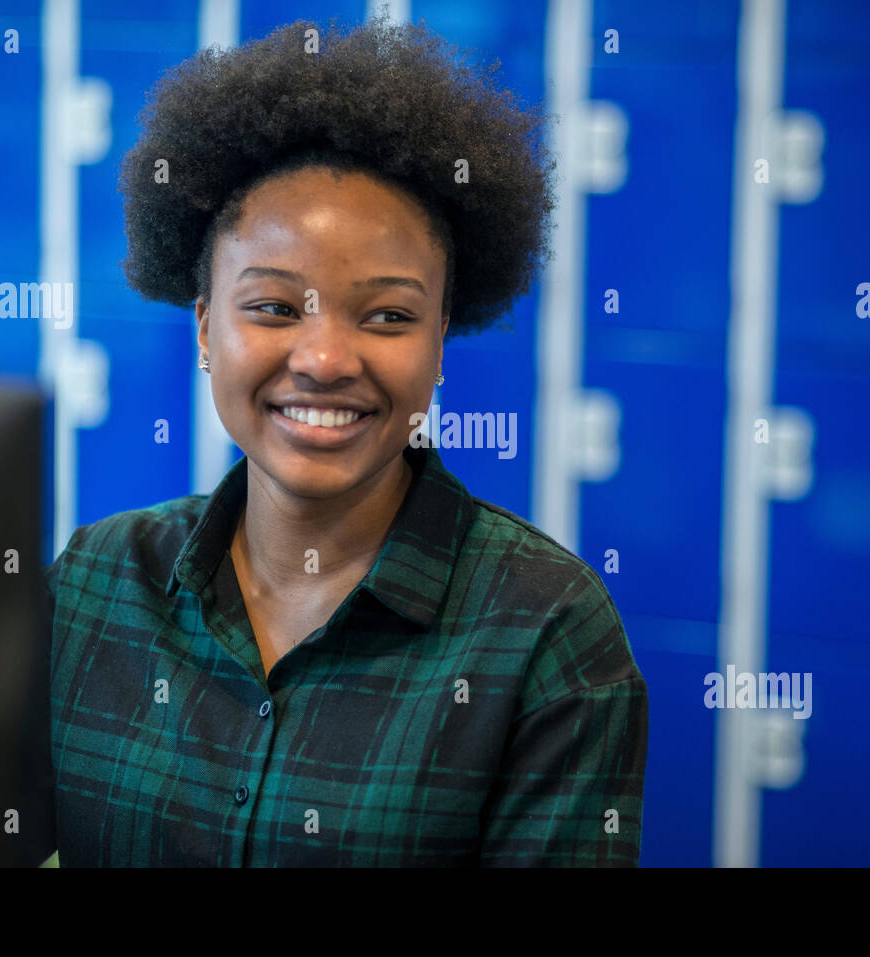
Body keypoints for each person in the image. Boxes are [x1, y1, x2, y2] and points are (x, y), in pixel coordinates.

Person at [43, 13, 648, 866]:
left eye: (389, 316)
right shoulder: (96, 585)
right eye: (274, 308)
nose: (325, 359)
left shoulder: (546, 637)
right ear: (206, 328)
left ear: (441, 342)